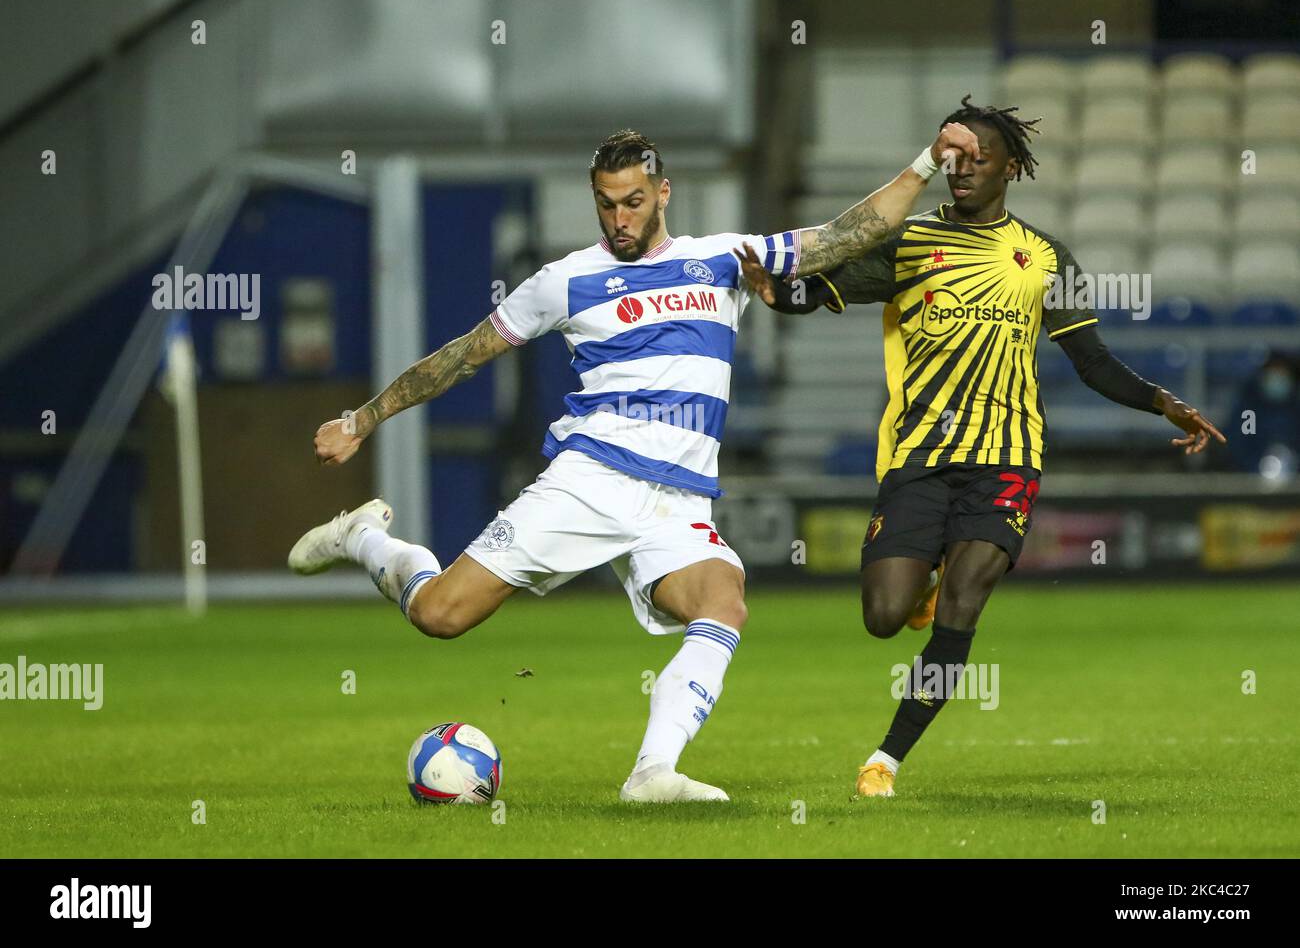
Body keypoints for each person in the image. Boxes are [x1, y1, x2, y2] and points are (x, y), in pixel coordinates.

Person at [288, 124, 978, 803]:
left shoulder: (724, 259)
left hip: (677, 506)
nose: (620, 218)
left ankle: (652, 773)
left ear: (663, 192)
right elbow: (463, 355)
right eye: (606, 203)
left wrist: (926, 161)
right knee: (440, 615)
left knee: (723, 600)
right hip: (588, 482)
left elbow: (850, 232)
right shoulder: (563, 282)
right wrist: (365, 418)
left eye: (633, 201)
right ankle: (364, 536)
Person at [740, 96, 1226, 798]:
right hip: (920, 456)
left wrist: (1165, 402)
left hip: (1008, 456)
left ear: (1011, 168)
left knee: (966, 601)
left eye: (978, 158)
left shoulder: (1046, 256)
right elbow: (815, 292)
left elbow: (1091, 360)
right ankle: (920, 589)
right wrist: (773, 293)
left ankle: (887, 760)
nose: (961, 170)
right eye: (954, 158)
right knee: (882, 618)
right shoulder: (909, 242)